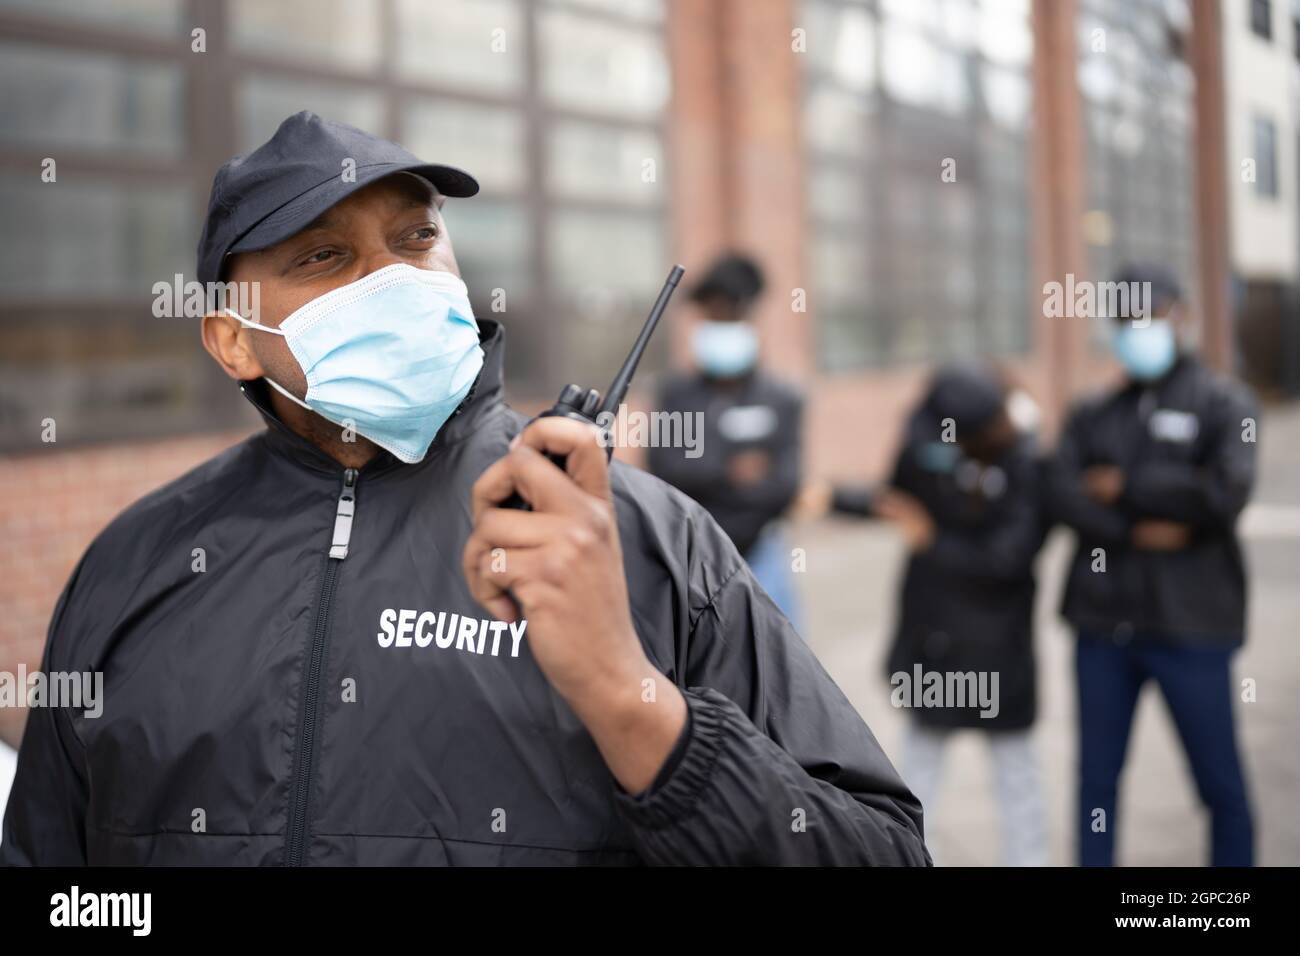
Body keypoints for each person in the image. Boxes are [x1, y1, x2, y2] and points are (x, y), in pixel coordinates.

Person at [0, 112, 928, 866]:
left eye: (417, 236)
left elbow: (880, 850)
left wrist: (631, 699)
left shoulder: (645, 539)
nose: (395, 279)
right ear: (232, 339)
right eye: (323, 257)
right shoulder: (137, 561)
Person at [1046, 264, 1257, 867]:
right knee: (1096, 786)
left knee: (1220, 786)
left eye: (1149, 316)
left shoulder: (1225, 403)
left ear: (1180, 316)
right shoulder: (1094, 412)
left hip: (1193, 626)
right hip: (1103, 626)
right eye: (1124, 319)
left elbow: (1225, 496)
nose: (1136, 329)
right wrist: (1143, 524)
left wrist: (1126, 484)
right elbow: (1063, 494)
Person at [810, 365, 1049, 866]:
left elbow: (1008, 559)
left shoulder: (1027, 463)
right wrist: (834, 497)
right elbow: (894, 501)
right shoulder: (929, 448)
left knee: (1017, 778)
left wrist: (933, 540)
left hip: (999, 651)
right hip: (934, 641)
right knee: (917, 775)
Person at [647, 254, 805, 627]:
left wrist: (704, 471)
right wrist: (729, 470)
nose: (719, 325)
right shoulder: (678, 395)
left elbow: (785, 485)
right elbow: (665, 471)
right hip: (691, 554)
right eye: (711, 316)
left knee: (778, 664)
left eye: (729, 316)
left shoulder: (781, 397)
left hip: (762, 555)